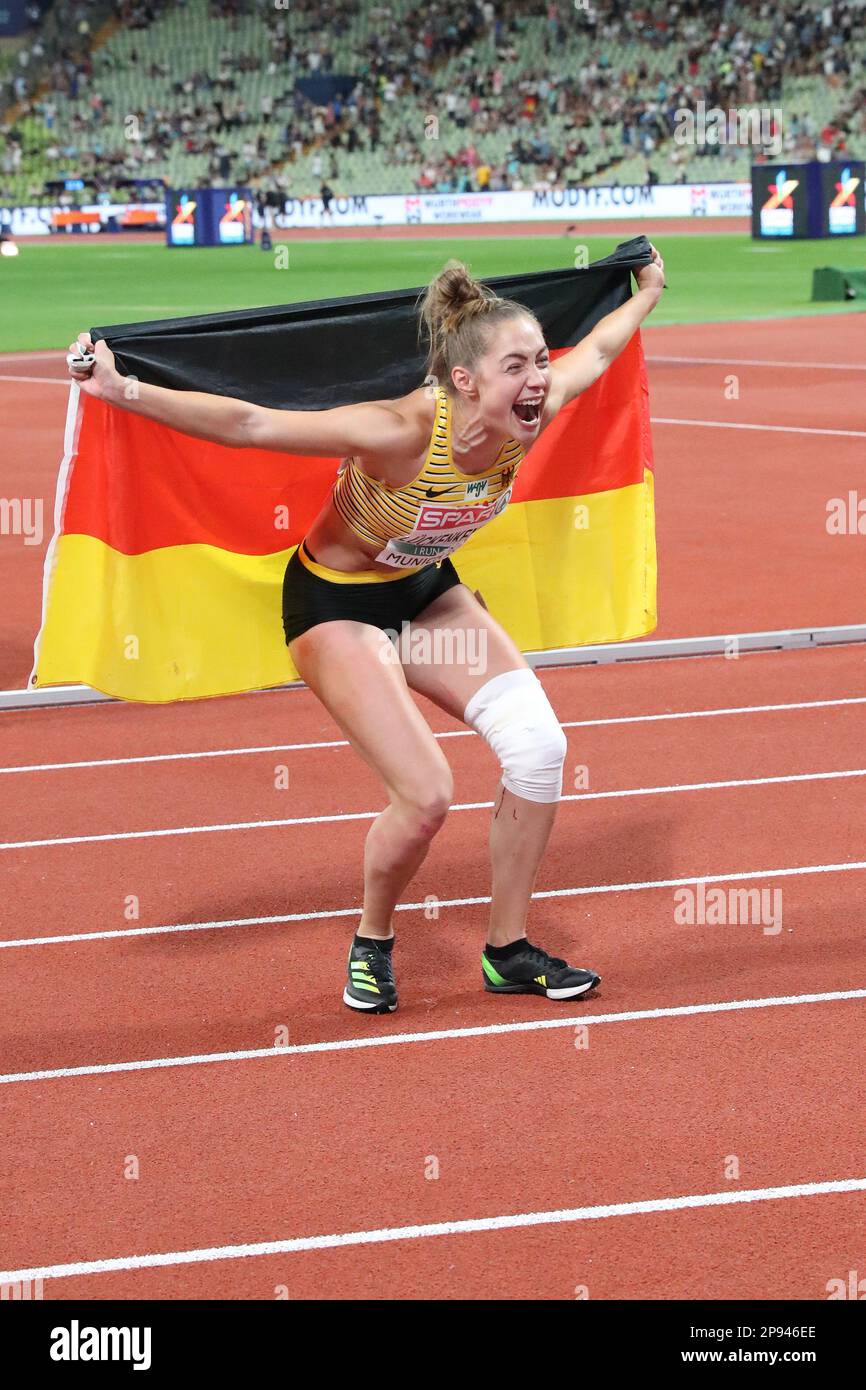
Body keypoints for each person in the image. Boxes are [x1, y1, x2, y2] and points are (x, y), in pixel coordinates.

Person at [68, 245, 665, 1016]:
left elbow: (598, 350)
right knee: (425, 796)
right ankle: (373, 941)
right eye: (516, 366)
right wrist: (124, 389)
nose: (538, 379)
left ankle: (507, 951)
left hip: (424, 594)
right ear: (463, 381)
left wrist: (646, 290)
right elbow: (252, 423)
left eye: (536, 362)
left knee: (540, 749)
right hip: (335, 603)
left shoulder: (532, 413)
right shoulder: (398, 432)